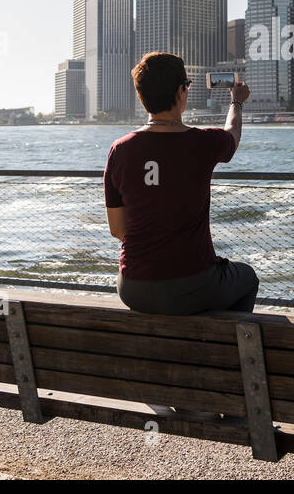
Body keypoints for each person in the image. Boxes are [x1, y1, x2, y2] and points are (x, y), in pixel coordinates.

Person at [104, 52, 258, 315]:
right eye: (186, 85)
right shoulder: (203, 142)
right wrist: (236, 102)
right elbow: (232, 134)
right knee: (247, 277)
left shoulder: (120, 150)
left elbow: (118, 230)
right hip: (192, 285)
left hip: (132, 287)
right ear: (180, 91)